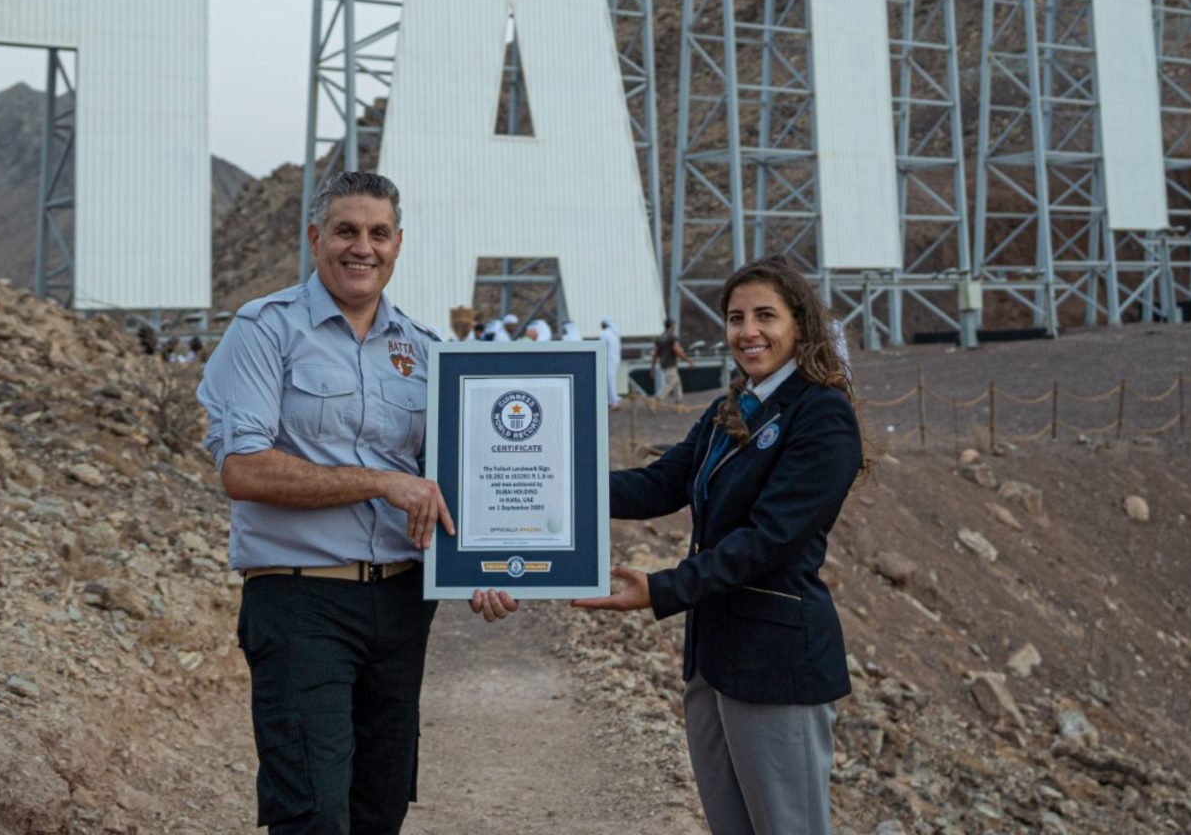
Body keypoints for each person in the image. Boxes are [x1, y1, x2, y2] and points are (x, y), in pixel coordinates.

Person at [198, 171, 517, 834]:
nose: (361, 248)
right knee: (314, 811)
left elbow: (449, 482)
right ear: (316, 238)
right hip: (301, 601)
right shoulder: (265, 331)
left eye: (377, 233)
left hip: (401, 605)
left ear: (398, 244)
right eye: (346, 231)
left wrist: (481, 568)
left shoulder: (426, 351)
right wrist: (378, 482)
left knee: (379, 809)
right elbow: (244, 469)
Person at [576, 258, 864, 835]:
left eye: (765, 316)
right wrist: (557, 488)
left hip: (775, 663)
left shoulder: (822, 414)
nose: (748, 331)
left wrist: (662, 589)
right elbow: (661, 484)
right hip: (714, 659)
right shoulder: (731, 408)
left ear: (800, 326)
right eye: (736, 318)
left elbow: (770, 540)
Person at [653, 322, 684, 403]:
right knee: (671, 382)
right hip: (671, 363)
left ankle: (679, 400)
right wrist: (688, 360)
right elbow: (677, 350)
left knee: (677, 381)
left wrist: (652, 366)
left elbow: (656, 353)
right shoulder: (672, 337)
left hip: (663, 363)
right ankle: (658, 398)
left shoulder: (660, 338)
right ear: (671, 326)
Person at [597, 316, 623, 401]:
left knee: (609, 379)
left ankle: (611, 399)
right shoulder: (614, 333)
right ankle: (612, 397)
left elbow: (601, 347)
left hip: (608, 360)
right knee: (612, 378)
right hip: (615, 359)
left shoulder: (604, 334)